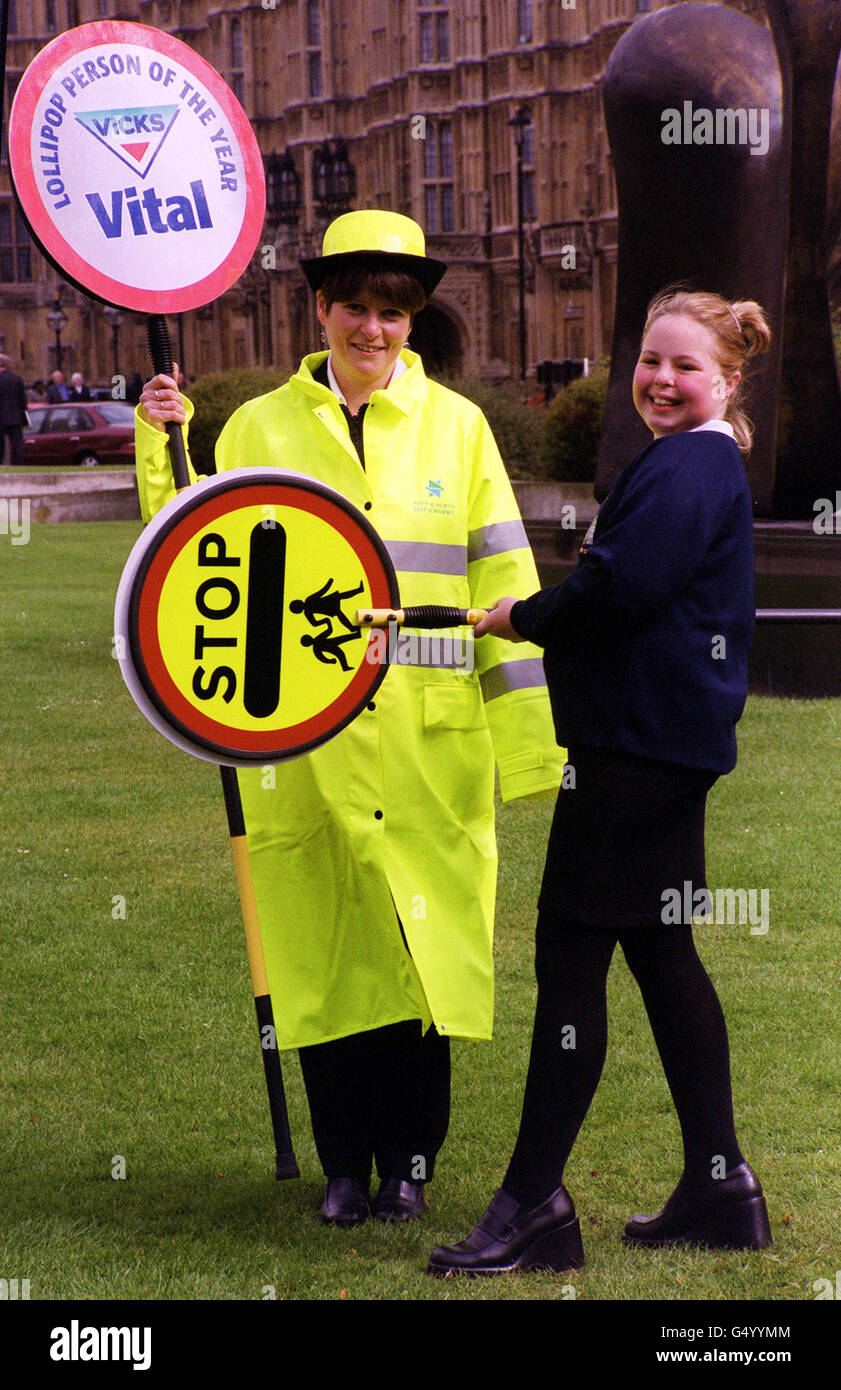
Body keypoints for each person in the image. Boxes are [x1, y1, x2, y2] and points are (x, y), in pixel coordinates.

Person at [133, 210, 564, 1226]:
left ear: (412, 320)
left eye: (393, 312)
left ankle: (410, 1162)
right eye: (356, 307)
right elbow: (198, 557)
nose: (373, 328)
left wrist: (527, 745)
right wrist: (163, 443)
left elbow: (504, 579)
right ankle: (342, 1164)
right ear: (321, 306)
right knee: (318, 951)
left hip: (427, 737)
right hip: (304, 739)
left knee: (417, 959)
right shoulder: (257, 428)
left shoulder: (457, 430)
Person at [428, 286, 774, 1276]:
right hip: (662, 752)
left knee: (571, 961)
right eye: (651, 361)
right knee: (664, 958)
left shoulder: (690, 465)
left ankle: (533, 1202)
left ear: (726, 380)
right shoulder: (695, 462)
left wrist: (523, 615)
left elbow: (622, 585)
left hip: (632, 758)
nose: (661, 380)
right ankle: (720, 1185)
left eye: (685, 367)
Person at [0, 354, 29, 468]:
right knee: (17, 444)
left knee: (0, 445)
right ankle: (19, 464)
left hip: (1, 418)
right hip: (15, 417)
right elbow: (23, 400)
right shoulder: (17, 379)